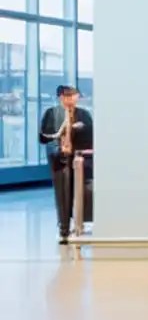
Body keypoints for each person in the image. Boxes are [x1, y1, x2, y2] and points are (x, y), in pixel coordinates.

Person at [38, 86, 93, 244]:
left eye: (74, 96)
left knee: (82, 191)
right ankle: (63, 228)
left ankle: (79, 223)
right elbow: (43, 137)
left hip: (79, 158)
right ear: (60, 97)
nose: (70, 99)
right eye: (66, 96)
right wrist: (59, 137)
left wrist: (79, 129)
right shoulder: (51, 113)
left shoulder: (83, 114)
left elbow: (91, 134)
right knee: (62, 192)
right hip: (59, 158)